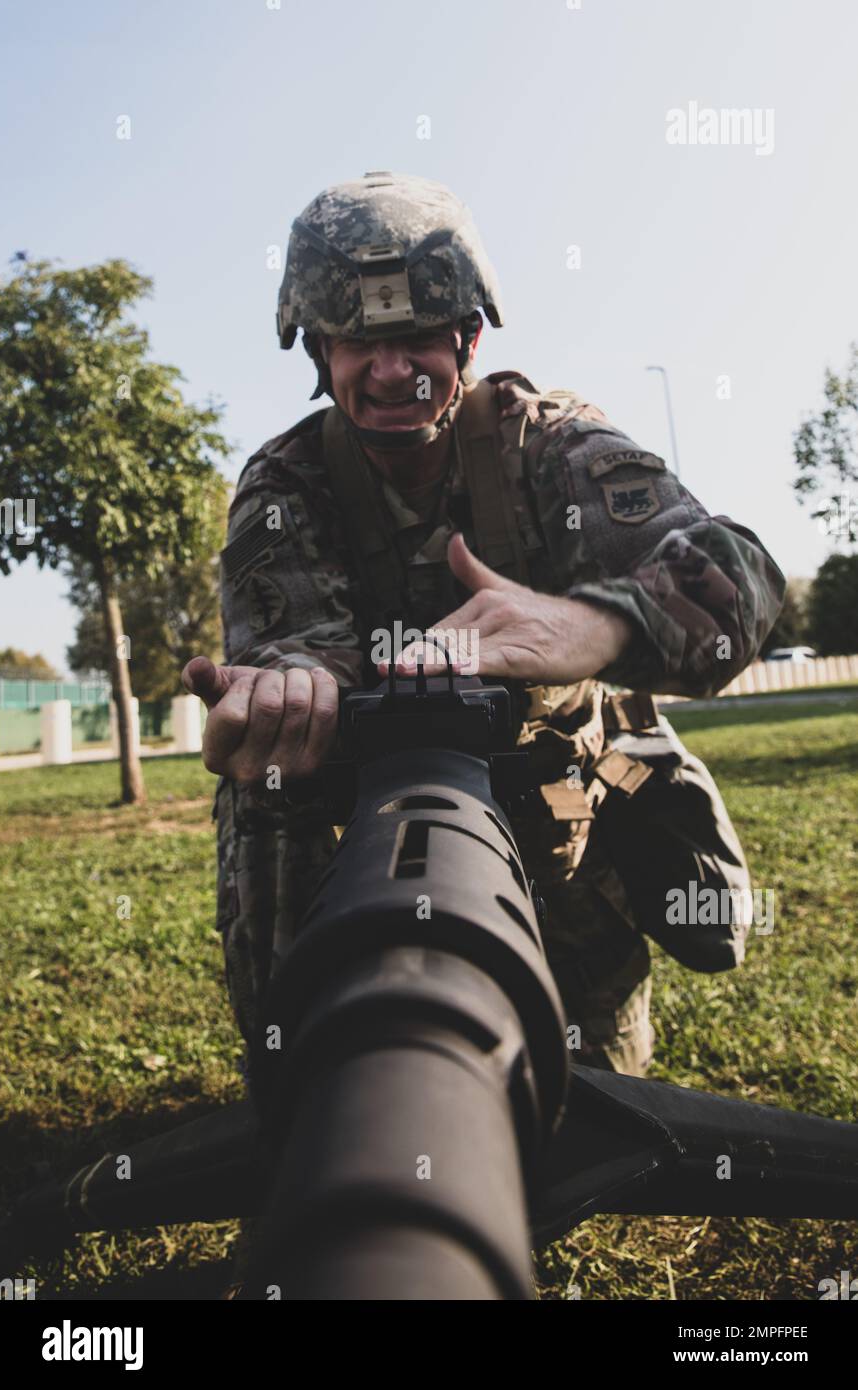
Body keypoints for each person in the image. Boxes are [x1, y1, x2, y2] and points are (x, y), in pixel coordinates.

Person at [183, 170, 785, 1086]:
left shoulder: (548, 441)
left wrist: (590, 624)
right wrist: (289, 695)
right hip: (372, 802)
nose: (392, 370)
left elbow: (739, 576)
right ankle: (302, 1060)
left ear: (467, 336)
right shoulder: (287, 482)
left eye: (420, 335)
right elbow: (292, 644)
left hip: (553, 796)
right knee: (265, 798)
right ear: (317, 349)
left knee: (597, 1096)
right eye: (358, 341)